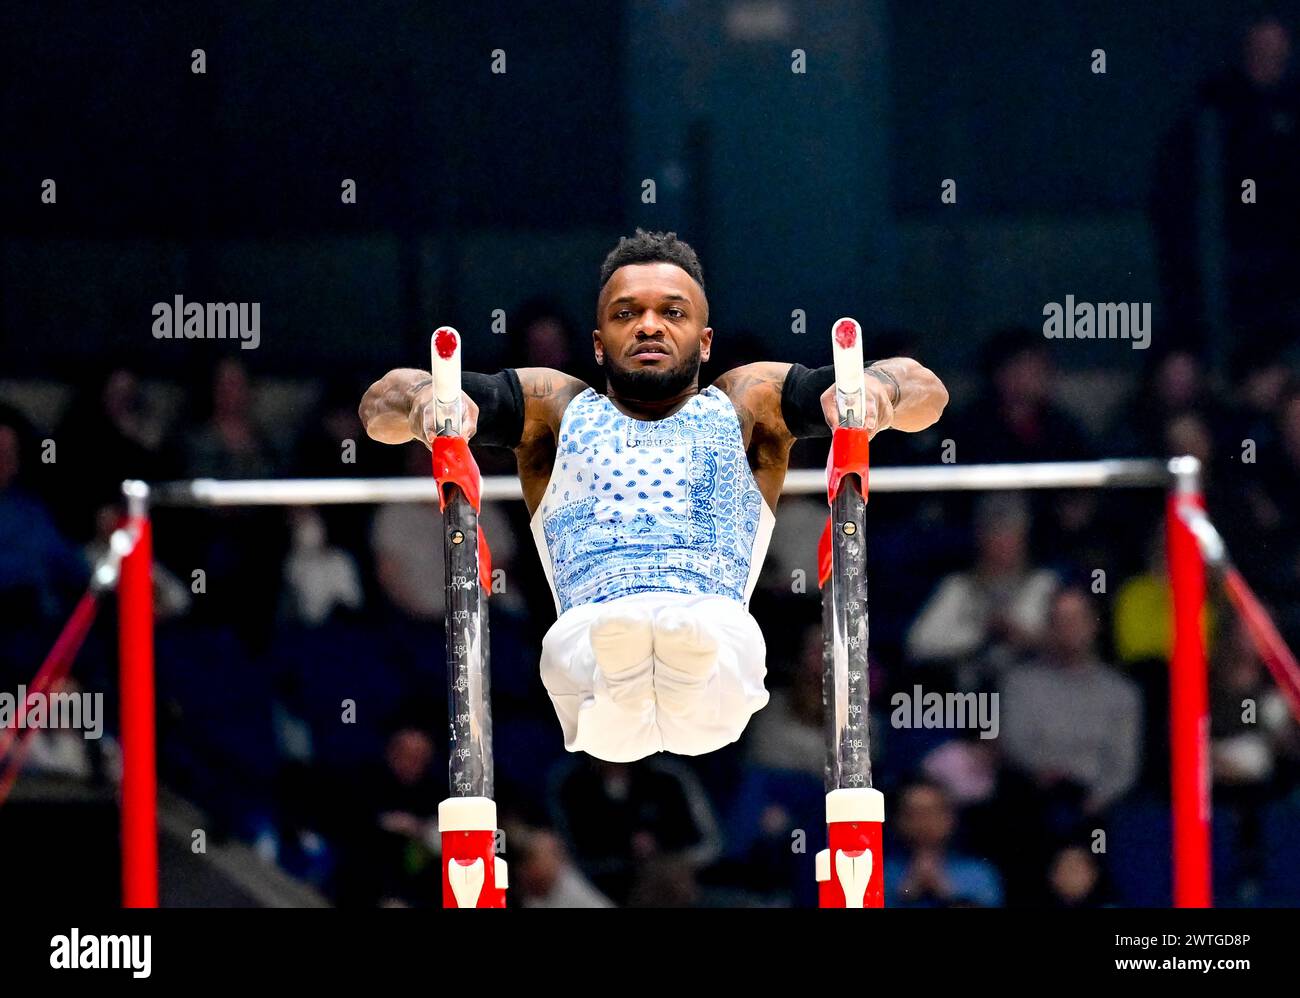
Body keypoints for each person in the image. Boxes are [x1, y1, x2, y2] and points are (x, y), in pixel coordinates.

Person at [360, 229, 949, 762]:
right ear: (597, 342)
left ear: (706, 339)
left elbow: (928, 389)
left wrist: (878, 392)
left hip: (714, 629)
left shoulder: (748, 402)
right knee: (590, 660)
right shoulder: (553, 408)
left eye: (672, 312)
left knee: (716, 647)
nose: (648, 326)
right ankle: (627, 675)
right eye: (626, 314)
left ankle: (665, 662)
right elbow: (379, 404)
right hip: (591, 631)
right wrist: (425, 405)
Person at [883, 780, 1003, 908]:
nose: (924, 822)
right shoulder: (884, 872)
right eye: (913, 813)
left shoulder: (979, 872)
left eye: (933, 812)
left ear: (951, 818)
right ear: (897, 820)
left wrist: (948, 893)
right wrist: (905, 894)